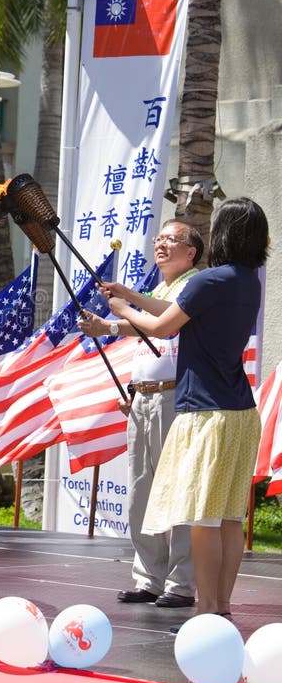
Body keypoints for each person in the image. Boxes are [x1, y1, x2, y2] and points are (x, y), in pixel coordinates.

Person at [105, 198, 268, 628]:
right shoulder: (248, 281)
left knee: (200, 516)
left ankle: (207, 607)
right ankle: (222, 605)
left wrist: (120, 311)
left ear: (223, 234)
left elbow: (161, 328)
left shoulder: (208, 281)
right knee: (230, 516)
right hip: (241, 412)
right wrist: (134, 299)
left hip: (205, 414)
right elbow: (176, 313)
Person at [78, 220, 203, 608]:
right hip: (142, 399)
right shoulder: (162, 287)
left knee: (176, 490)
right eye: (158, 239)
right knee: (142, 493)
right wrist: (109, 326)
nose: (161, 245)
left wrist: (125, 301)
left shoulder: (193, 285)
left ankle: (180, 584)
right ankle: (149, 578)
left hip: (174, 399)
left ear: (191, 252)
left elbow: (164, 322)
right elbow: (145, 326)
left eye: (171, 240)